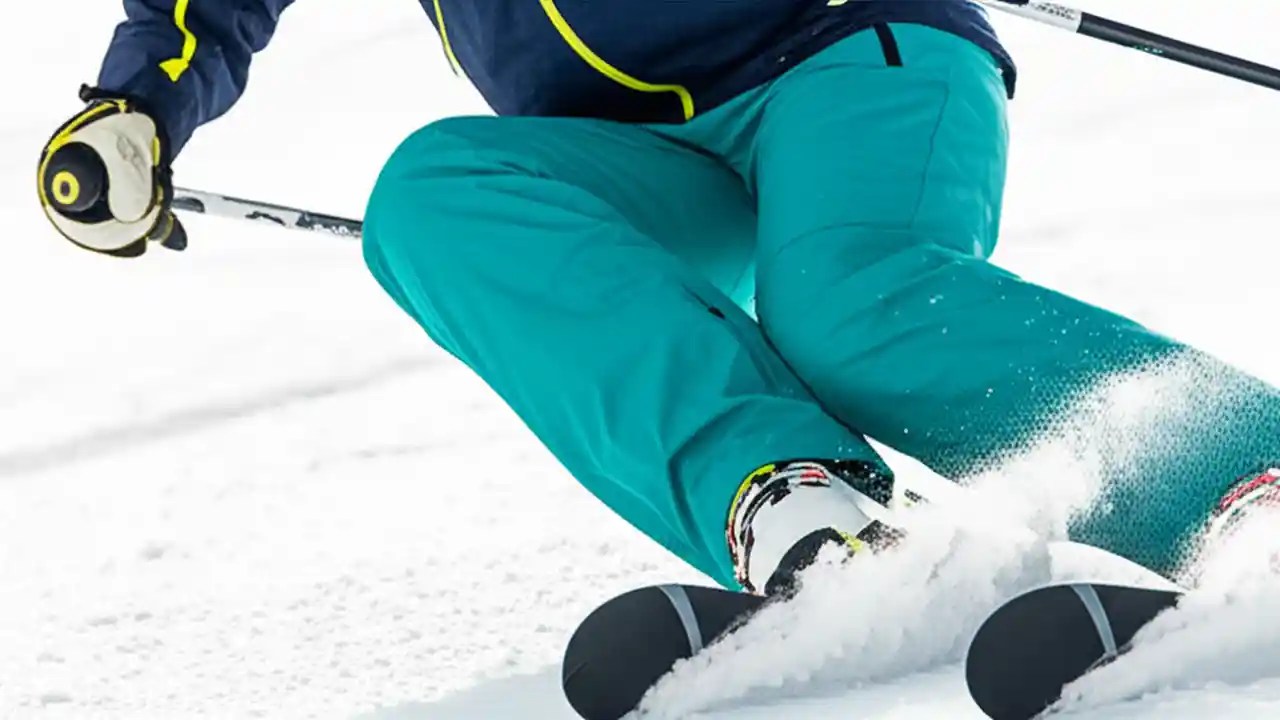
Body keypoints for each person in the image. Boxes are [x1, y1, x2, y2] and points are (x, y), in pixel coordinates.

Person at [37, 0, 1280, 597]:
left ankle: (1246, 480)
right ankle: (796, 508)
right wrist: (141, 104)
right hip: (630, 150)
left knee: (847, 306)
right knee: (433, 196)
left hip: (843, 54)